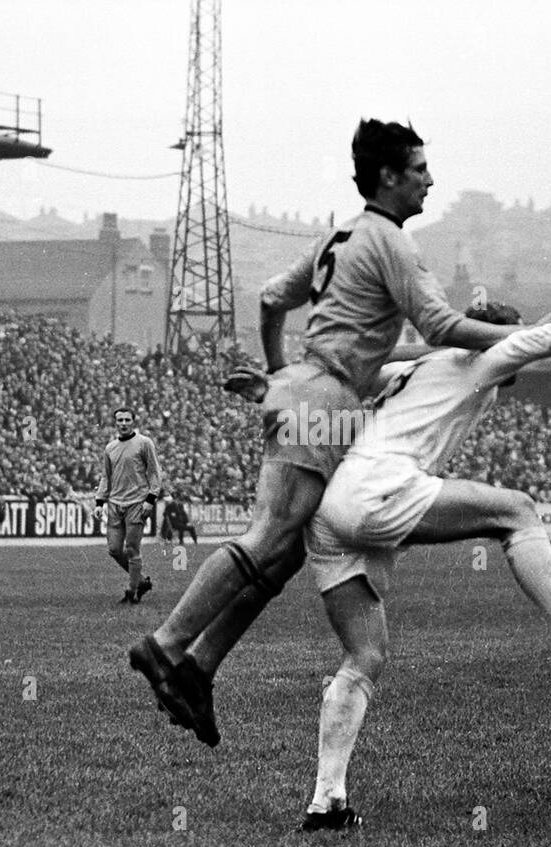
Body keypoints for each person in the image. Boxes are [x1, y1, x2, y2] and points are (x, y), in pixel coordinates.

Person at [129, 119, 529, 738]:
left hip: (316, 394)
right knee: (267, 537)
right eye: (420, 169)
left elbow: (269, 299)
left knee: (285, 552)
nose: (430, 180)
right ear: (390, 176)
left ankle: (198, 670)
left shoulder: (337, 237)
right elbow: (442, 327)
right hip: (326, 396)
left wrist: (279, 374)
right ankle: (167, 643)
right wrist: (528, 340)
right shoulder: (391, 241)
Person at [212, 304, 551, 827]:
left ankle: (326, 802)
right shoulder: (482, 358)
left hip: (330, 512)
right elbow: (550, 335)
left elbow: (335, 387)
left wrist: (271, 387)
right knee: (516, 510)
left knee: (365, 655)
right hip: (378, 491)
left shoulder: (416, 366)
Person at [94, 407, 162, 604]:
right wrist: (100, 501)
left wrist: (150, 499)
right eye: (120, 420)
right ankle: (141, 582)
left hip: (137, 503)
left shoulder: (144, 443)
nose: (123, 423)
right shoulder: (110, 448)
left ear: (133, 422)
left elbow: (154, 472)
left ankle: (131, 592)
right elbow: (106, 476)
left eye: (127, 420)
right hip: (115, 503)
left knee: (132, 548)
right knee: (114, 549)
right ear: (115, 423)